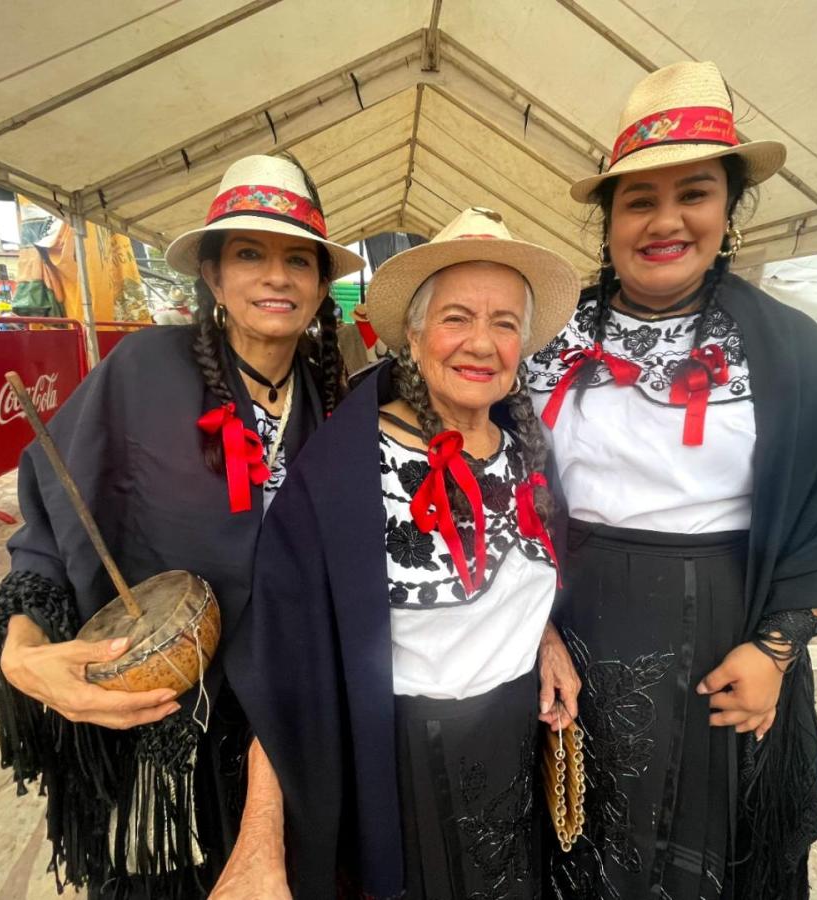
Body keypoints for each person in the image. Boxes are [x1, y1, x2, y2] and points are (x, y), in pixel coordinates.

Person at [524, 61, 817, 899]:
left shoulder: (799, 357)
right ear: (608, 219)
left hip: (722, 636)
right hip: (565, 627)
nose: (666, 221)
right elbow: (494, 482)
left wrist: (777, 647)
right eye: (639, 199)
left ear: (729, 211)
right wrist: (530, 629)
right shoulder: (537, 339)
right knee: (569, 833)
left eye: (695, 193)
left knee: (700, 848)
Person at [0, 153, 365, 898]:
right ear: (214, 278)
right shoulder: (141, 373)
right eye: (250, 254)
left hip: (288, 742)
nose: (276, 277)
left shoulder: (335, 402)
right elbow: (49, 525)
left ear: (321, 285)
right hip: (161, 746)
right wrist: (23, 654)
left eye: (298, 259)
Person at [214, 207, 583, 900]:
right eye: (456, 318)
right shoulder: (346, 468)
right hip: (403, 771)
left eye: (505, 322)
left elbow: (516, 574)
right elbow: (289, 658)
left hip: (511, 755)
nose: (481, 342)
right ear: (413, 336)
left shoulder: (524, 449)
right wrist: (260, 837)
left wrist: (547, 637)